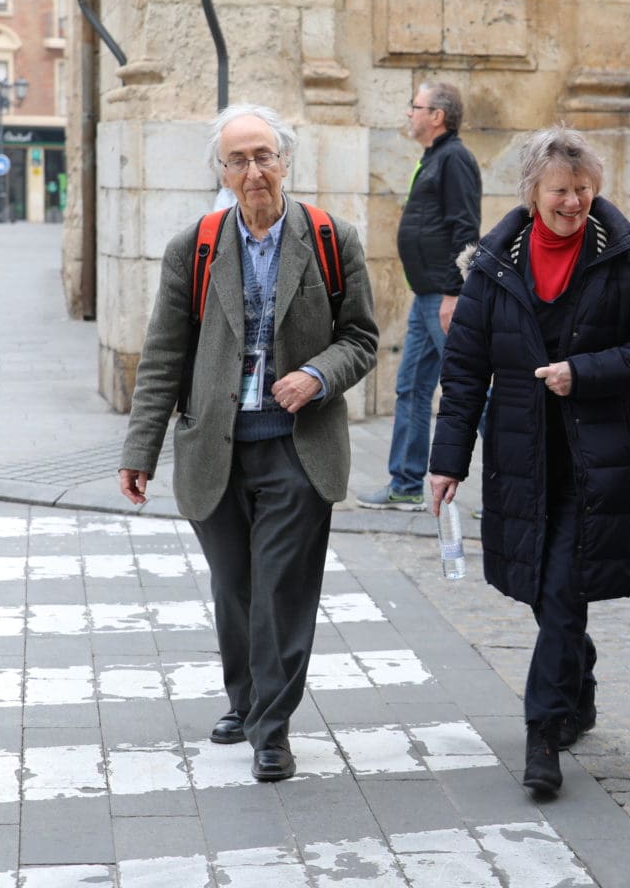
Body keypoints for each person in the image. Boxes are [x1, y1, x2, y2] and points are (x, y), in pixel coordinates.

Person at [118, 104, 378, 783]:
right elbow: (163, 357)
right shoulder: (195, 248)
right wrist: (140, 450)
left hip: (298, 445)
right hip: (216, 448)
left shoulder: (329, 237)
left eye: (264, 156)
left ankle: (272, 726)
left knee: (281, 591)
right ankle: (246, 700)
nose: (254, 170)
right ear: (224, 172)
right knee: (236, 587)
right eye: (239, 160)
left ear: (284, 161)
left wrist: (318, 375)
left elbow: (362, 339)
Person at [427, 127, 630, 798]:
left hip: (595, 460)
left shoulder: (628, 259)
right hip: (521, 455)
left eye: (584, 190)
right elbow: (466, 369)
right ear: (533, 192)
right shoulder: (492, 264)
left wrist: (584, 372)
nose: (574, 203)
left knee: (562, 593)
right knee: (547, 590)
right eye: (561, 191)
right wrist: (446, 462)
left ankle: (544, 736)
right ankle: (579, 674)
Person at [358, 82, 483, 512]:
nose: (409, 113)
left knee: (472, 389)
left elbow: (465, 228)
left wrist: (454, 292)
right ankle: (406, 482)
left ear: (438, 116)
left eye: (416, 106)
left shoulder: (455, 159)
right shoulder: (434, 158)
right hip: (425, 295)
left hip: (442, 297)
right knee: (411, 387)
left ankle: (517, 483)